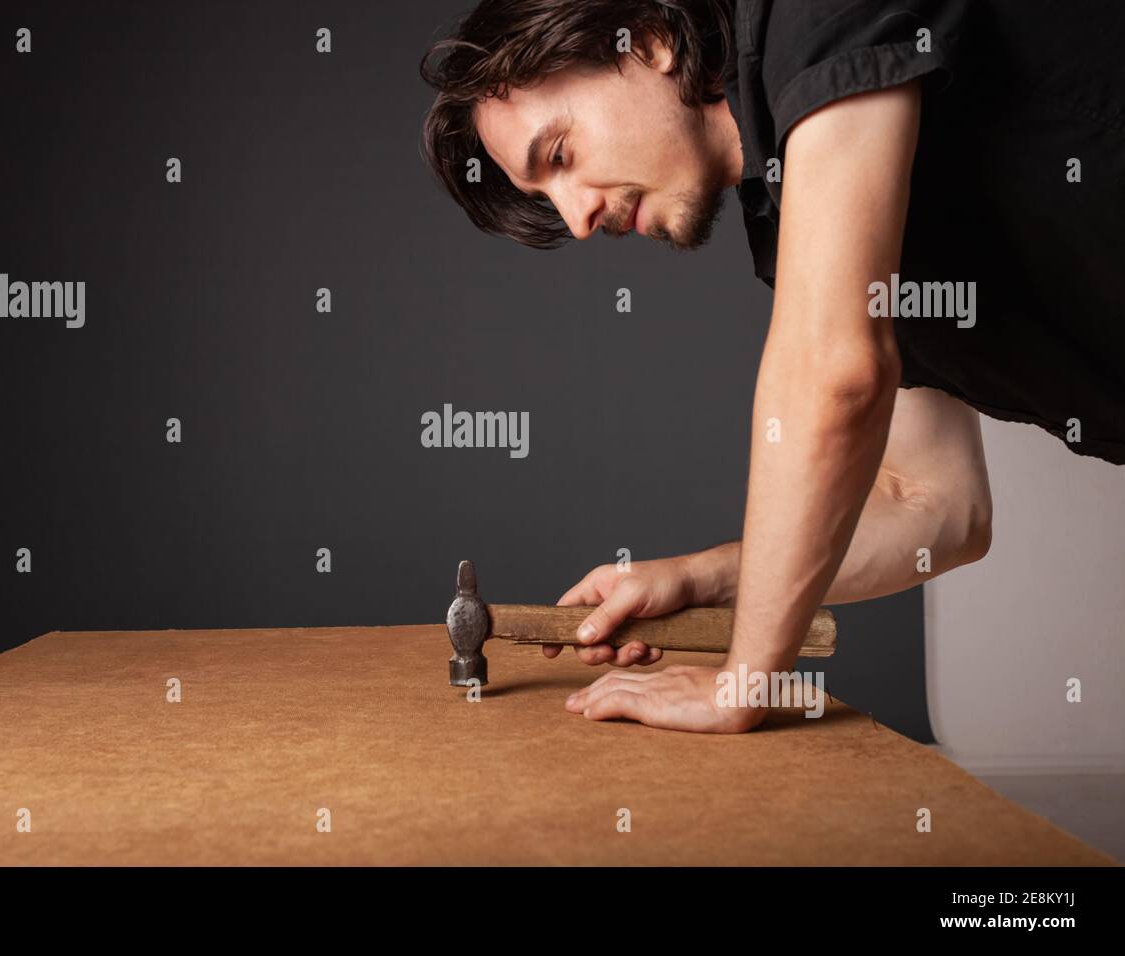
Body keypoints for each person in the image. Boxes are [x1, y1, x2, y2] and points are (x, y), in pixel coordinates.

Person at [418, 0, 1125, 731]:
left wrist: (743, 683)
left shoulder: (817, 13)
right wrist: (707, 579)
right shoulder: (791, 208)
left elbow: (837, 375)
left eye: (560, 155)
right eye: (547, 198)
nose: (576, 220)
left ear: (650, 42)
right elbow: (938, 509)